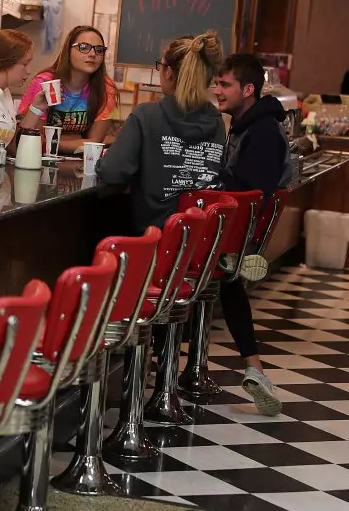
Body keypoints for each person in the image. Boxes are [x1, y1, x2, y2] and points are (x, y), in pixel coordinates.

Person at [211, 53, 292, 416]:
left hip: (234, 236)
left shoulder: (260, 131)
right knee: (229, 289)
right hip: (233, 235)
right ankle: (254, 369)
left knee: (171, 259)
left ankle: (162, 366)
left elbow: (249, 192)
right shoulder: (246, 122)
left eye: (224, 84)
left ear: (248, 89)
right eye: (216, 82)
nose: (217, 90)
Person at [96, 31, 226, 234]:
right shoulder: (217, 120)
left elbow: (113, 172)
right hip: (200, 240)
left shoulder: (146, 115)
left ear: (168, 72)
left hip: (152, 240)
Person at [18, 26, 118, 153]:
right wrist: (76, 142)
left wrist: (52, 144)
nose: (93, 54)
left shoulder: (106, 89)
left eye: (99, 50)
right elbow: (34, 136)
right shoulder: (45, 83)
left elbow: (94, 143)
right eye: (84, 47)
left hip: (79, 163)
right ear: (68, 50)